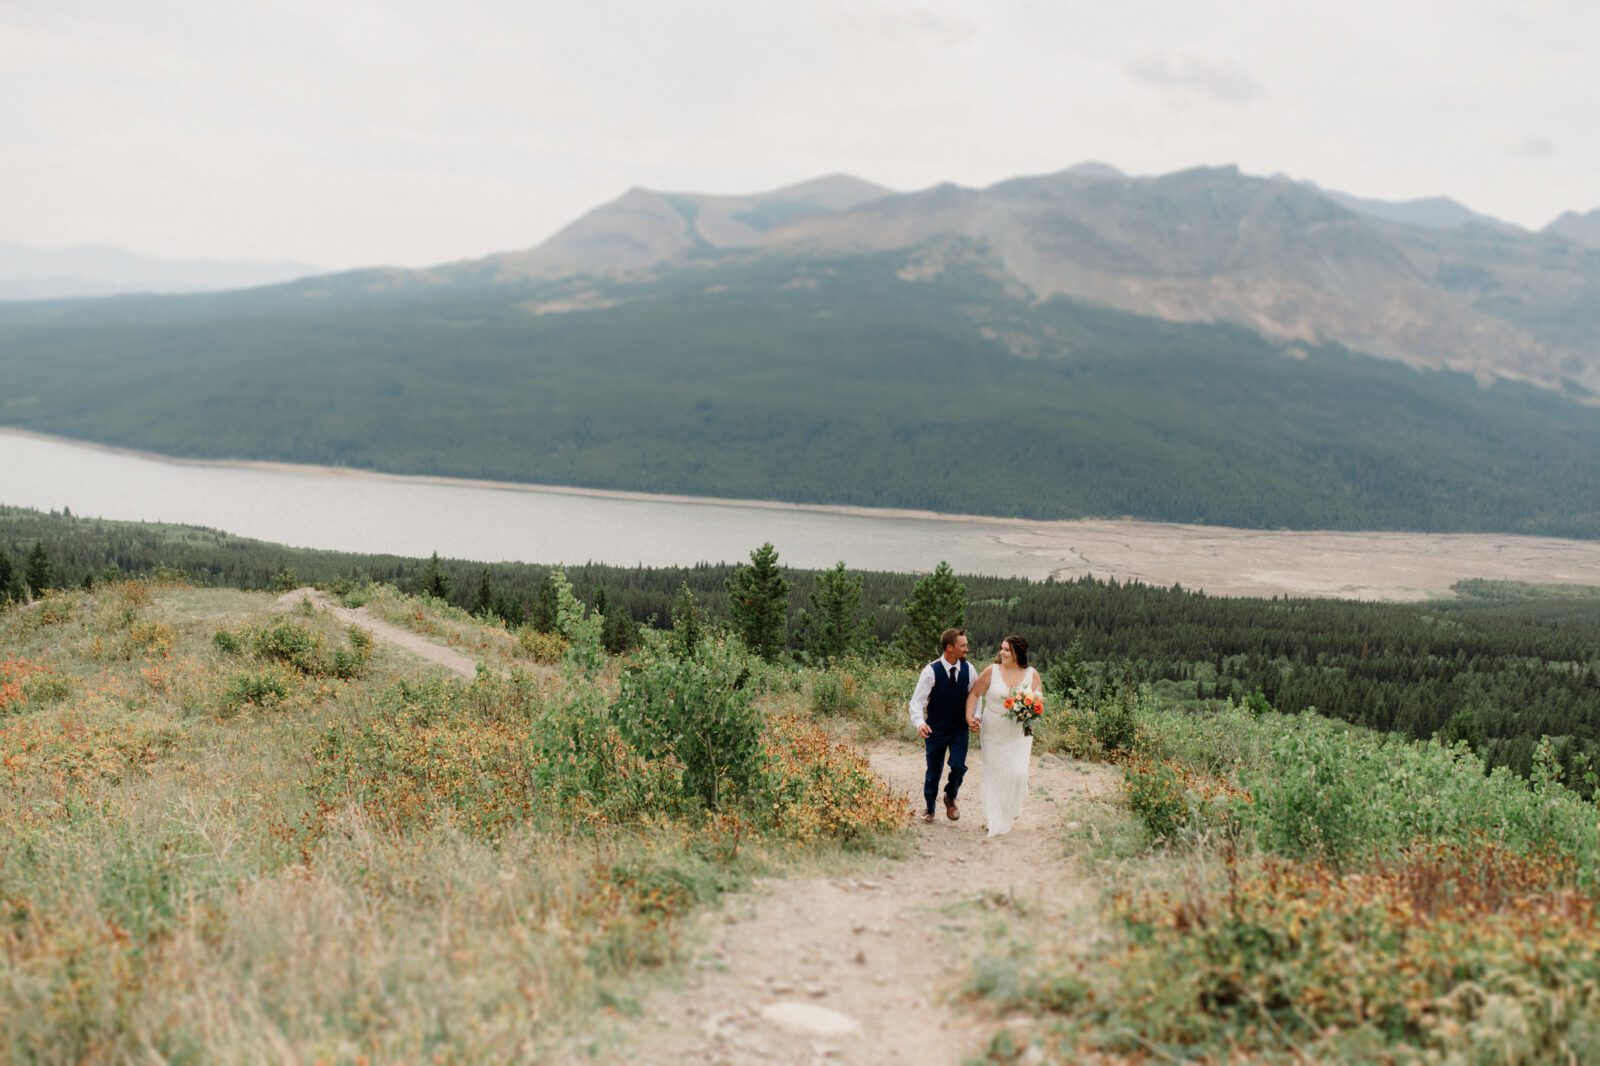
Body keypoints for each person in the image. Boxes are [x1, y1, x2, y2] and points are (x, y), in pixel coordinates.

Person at [965, 635, 1037, 837]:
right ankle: (994, 818)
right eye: (1002, 649)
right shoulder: (992, 671)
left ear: (1017, 653)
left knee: (1017, 773)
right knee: (994, 774)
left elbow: (1038, 702)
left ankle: (1010, 809)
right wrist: (970, 716)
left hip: (1020, 733)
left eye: (1007, 650)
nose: (1002, 653)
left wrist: (1030, 710)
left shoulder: (1031, 674)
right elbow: (974, 694)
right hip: (993, 730)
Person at [907, 628, 972, 824]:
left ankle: (950, 797)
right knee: (934, 770)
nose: (967, 649)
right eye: (963, 645)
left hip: (960, 728)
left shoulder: (969, 669)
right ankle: (930, 807)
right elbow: (916, 702)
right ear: (949, 648)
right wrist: (920, 723)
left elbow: (975, 698)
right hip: (936, 729)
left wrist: (975, 716)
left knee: (959, 766)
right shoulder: (930, 671)